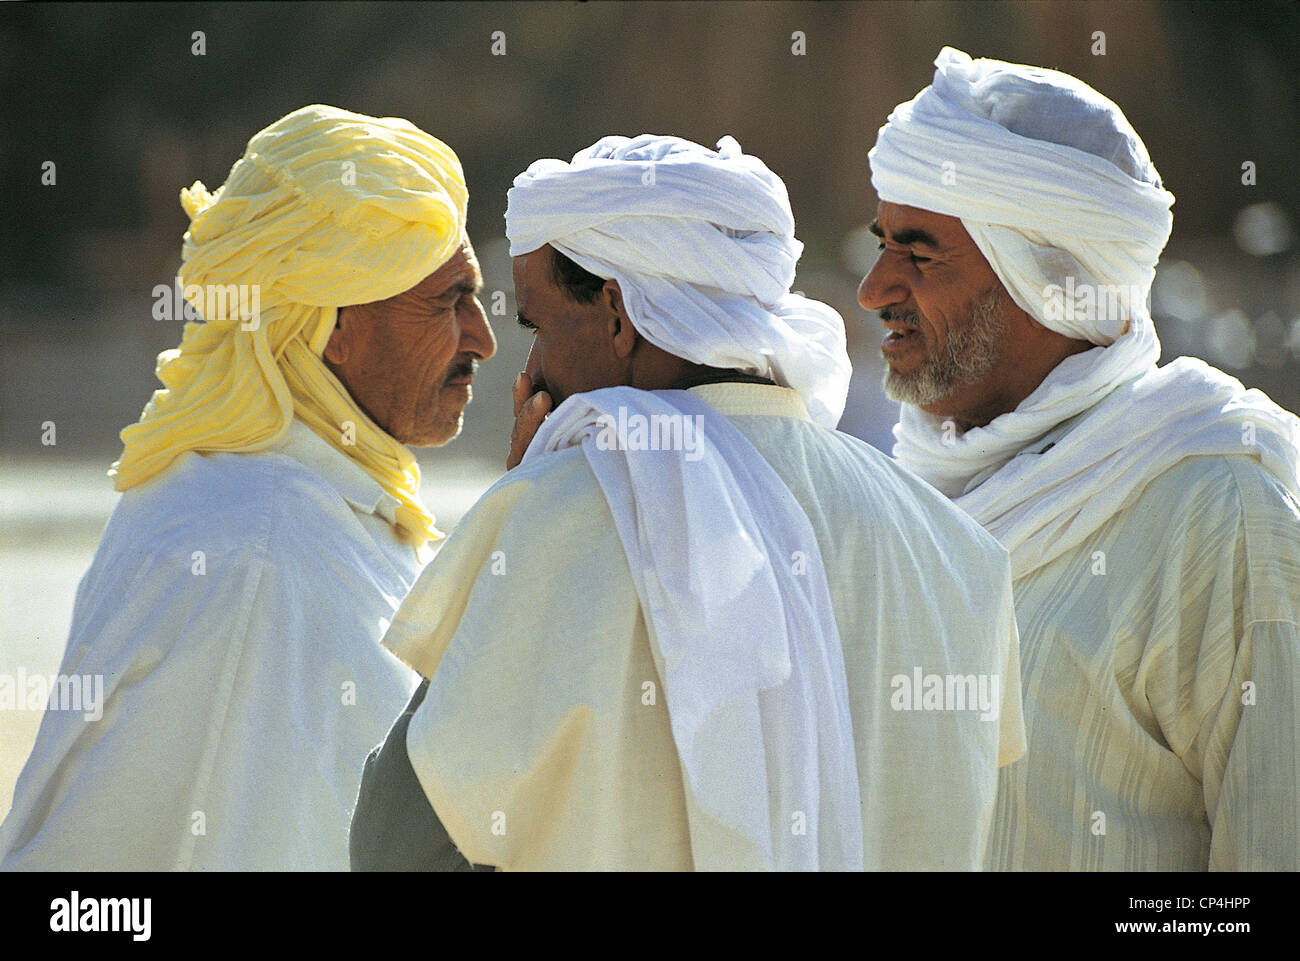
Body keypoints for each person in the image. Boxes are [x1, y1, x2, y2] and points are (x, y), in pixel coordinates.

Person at [350, 134, 1025, 872]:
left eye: (539, 325)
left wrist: (518, 518)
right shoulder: (957, 553)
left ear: (618, 313)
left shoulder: (552, 519)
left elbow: (394, 844)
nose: (534, 367)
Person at [0, 105, 496, 870]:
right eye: (448, 301)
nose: (483, 339)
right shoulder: (257, 555)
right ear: (332, 325)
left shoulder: (296, 502)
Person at [860, 48, 1300, 870]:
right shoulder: (903, 504)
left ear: (1047, 282)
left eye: (918, 254)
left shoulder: (1219, 513)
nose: (873, 288)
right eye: (882, 243)